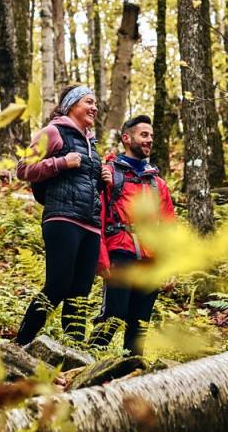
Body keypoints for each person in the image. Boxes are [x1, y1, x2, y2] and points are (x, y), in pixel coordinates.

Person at [14, 84, 106, 345]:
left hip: (91, 225)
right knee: (57, 286)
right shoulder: (53, 132)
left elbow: (84, 183)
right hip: (62, 219)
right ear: (71, 105)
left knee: (80, 293)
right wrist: (61, 162)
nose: (94, 108)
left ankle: (73, 353)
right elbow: (23, 169)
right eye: (89, 101)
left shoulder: (91, 143)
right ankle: (20, 344)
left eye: (95, 103)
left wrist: (102, 179)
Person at [89, 114, 176, 355]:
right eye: (144, 135)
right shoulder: (109, 174)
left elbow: (168, 227)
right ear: (127, 138)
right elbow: (97, 218)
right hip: (120, 252)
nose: (149, 140)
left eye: (151, 136)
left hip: (151, 260)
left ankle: (133, 373)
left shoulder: (158, 183)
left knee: (140, 324)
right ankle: (86, 364)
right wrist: (102, 258)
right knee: (113, 316)